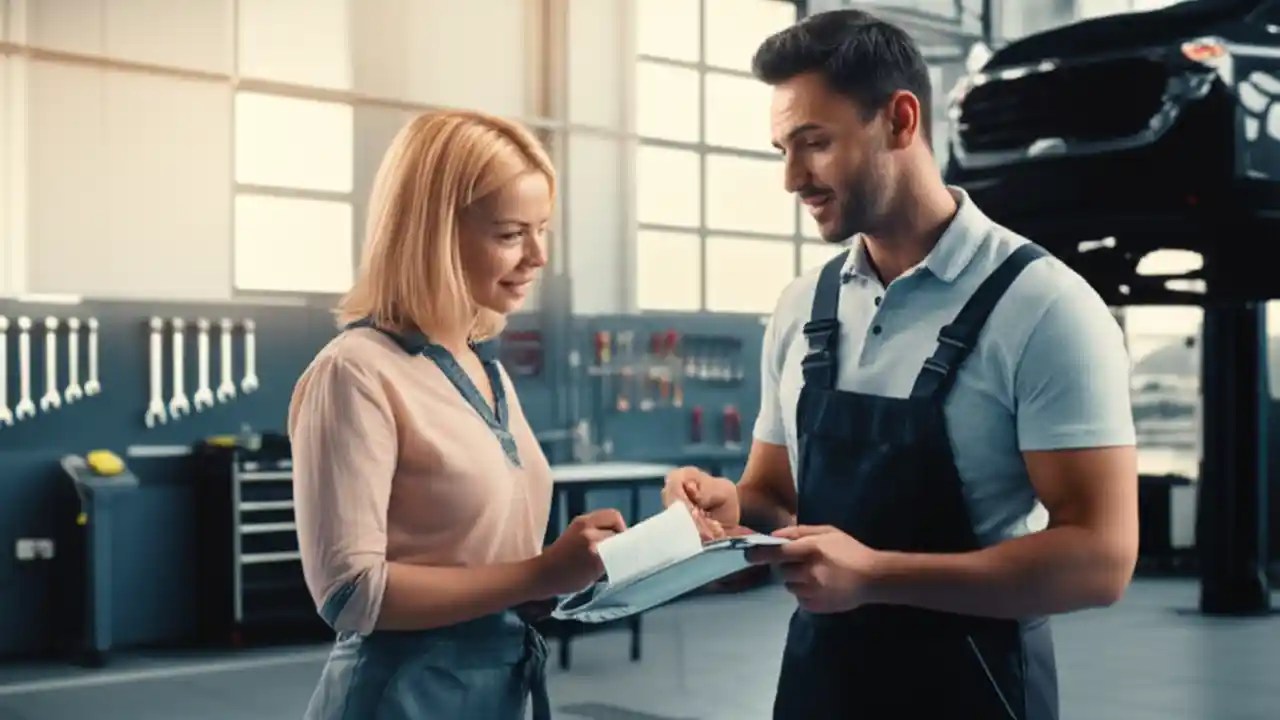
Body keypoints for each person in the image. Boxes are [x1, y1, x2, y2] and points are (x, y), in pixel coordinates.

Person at [662, 10, 1138, 720]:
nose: (793, 177)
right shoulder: (802, 306)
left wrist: (877, 577)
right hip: (820, 687)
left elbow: (1100, 560)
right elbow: (773, 492)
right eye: (781, 150)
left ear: (900, 120)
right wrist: (728, 515)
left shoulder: (1044, 308)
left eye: (814, 144)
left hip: (976, 690)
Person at [288, 109, 626, 720]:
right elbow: (349, 593)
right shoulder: (356, 372)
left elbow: (487, 561)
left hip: (496, 691)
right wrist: (540, 571)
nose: (538, 256)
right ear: (433, 234)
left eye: (543, 228)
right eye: (510, 233)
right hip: (400, 699)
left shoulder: (486, 372)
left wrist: (574, 573)